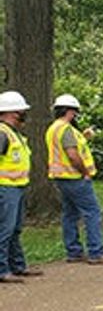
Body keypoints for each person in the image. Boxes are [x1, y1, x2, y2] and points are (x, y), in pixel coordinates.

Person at [44, 93, 103, 265]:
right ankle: (96, 252)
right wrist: (85, 172)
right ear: (70, 112)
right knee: (92, 212)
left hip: (61, 177)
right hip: (75, 177)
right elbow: (72, 155)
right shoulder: (66, 129)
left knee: (70, 214)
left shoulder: (53, 128)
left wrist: (84, 138)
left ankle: (74, 251)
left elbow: (66, 149)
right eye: (75, 112)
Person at [0, 91, 44, 283]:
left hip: (17, 187)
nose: (24, 114)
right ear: (12, 112)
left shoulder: (13, 133)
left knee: (15, 229)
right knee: (5, 229)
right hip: (5, 188)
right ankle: (2, 270)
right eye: (22, 110)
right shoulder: (2, 134)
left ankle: (17, 266)